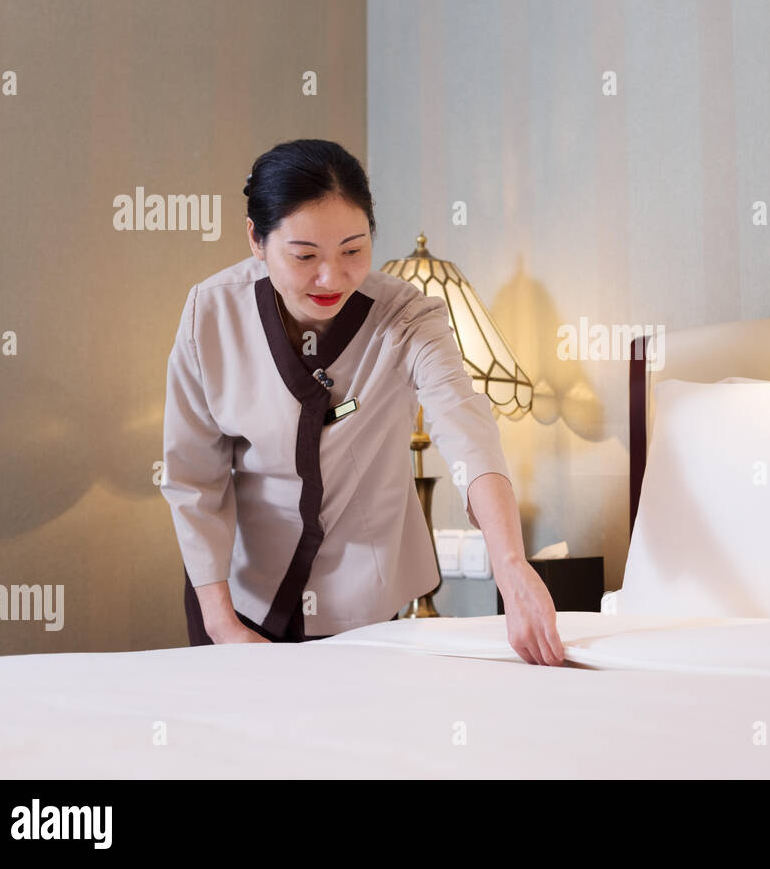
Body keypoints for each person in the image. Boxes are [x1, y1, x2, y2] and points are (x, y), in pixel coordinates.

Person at [159, 139, 565, 666]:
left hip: (355, 613)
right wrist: (222, 623)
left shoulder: (407, 318)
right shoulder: (210, 315)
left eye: (353, 250)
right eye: (304, 256)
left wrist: (510, 561)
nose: (331, 277)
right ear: (256, 239)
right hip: (235, 604)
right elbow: (193, 477)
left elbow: (467, 428)